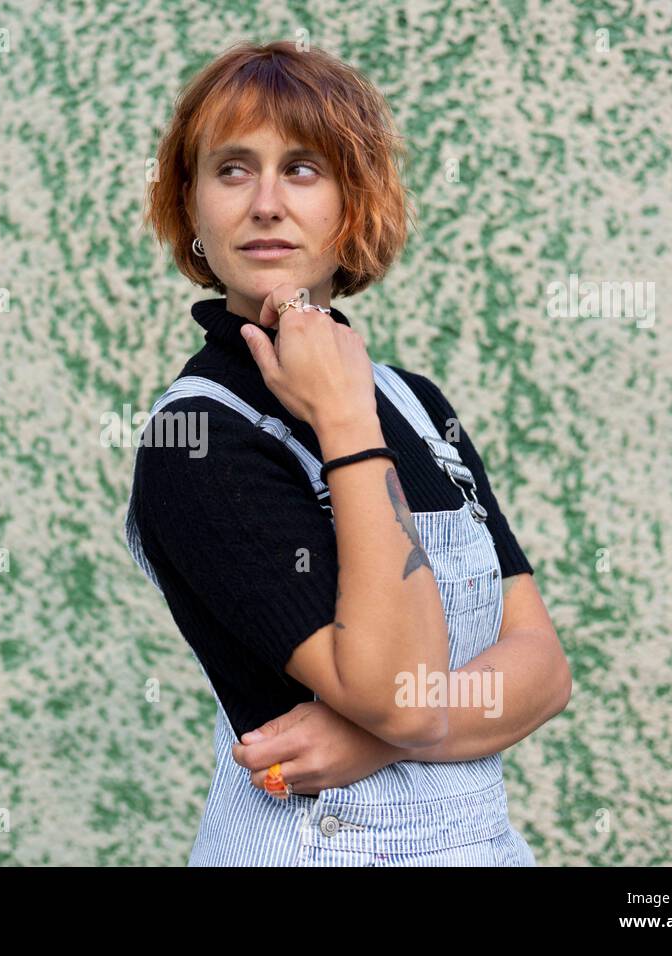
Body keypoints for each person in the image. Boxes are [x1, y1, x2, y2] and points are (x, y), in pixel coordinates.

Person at [124, 40, 571, 866]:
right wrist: (345, 426)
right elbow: (394, 693)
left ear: (352, 202)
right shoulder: (194, 442)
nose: (265, 203)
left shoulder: (418, 402)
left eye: (302, 169)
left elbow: (542, 668)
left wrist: (386, 742)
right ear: (191, 207)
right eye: (231, 169)